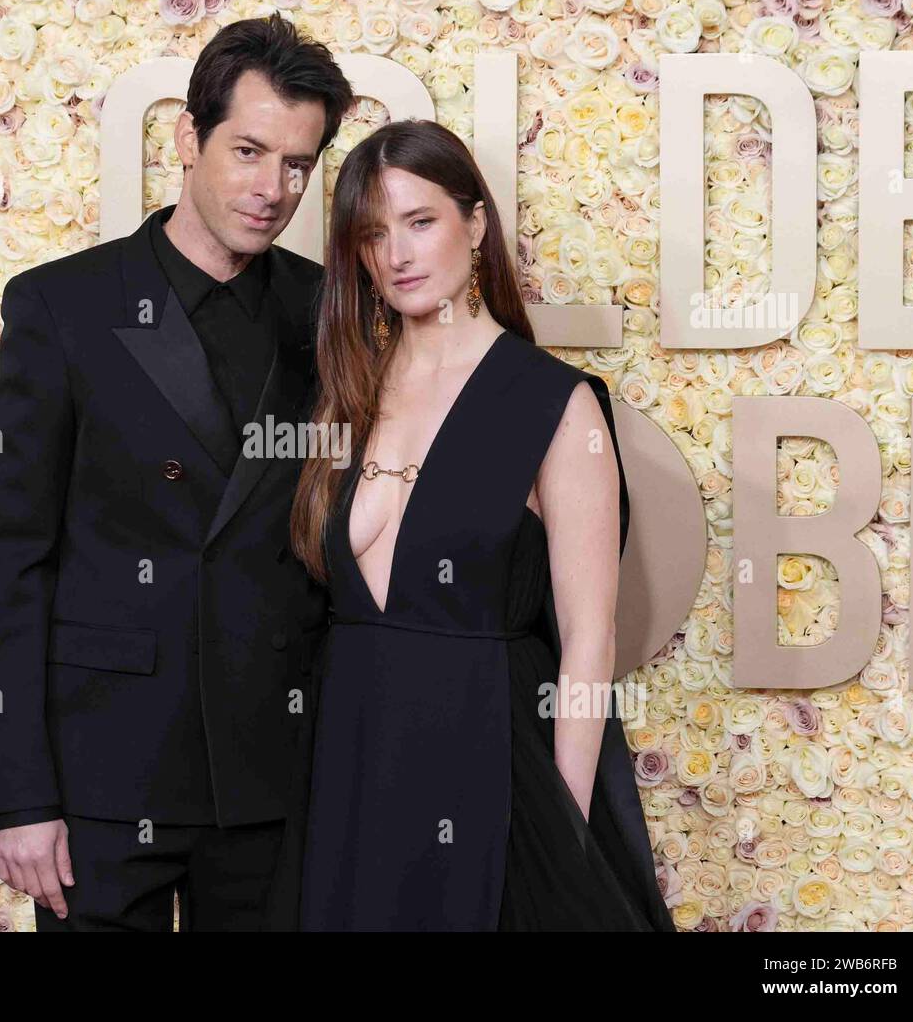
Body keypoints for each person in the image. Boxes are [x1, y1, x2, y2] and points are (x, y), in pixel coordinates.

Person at [0, 14, 353, 931]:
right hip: (103, 778)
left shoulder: (329, 315)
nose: (272, 190)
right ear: (188, 136)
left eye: (297, 164)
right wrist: (19, 795)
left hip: (272, 774)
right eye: (249, 150)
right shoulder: (63, 307)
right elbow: (13, 562)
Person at [267, 118, 677, 931]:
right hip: (349, 763)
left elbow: (589, 639)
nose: (398, 255)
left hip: (488, 761)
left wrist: (562, 823)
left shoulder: (553, 402)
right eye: (374, 234)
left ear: (477, 224)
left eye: (421, 222)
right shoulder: (346, 391)